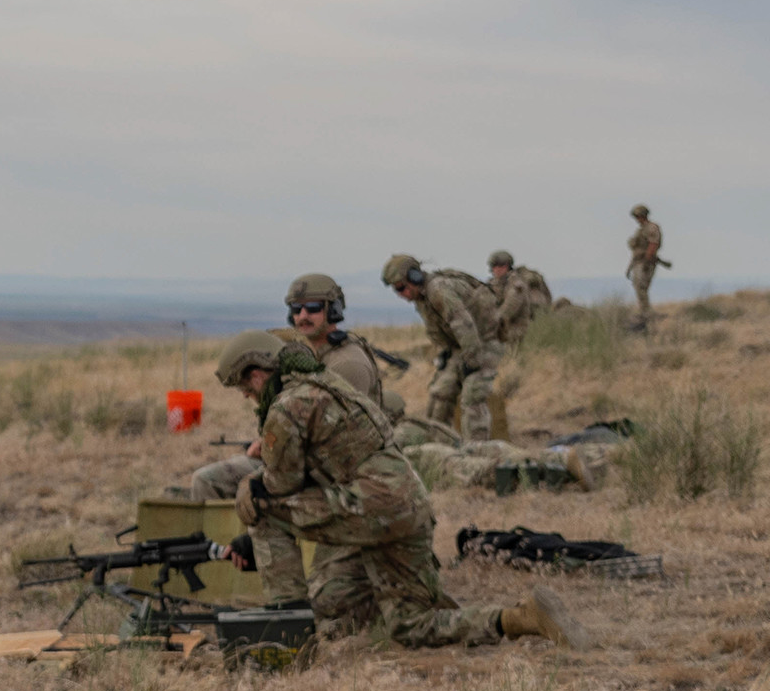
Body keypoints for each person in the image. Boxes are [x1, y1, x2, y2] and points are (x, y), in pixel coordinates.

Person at [213, 332, 580, 649]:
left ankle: (286, 635)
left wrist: (254, 491)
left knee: (254, 502)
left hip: (369, 510)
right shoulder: (329, 383)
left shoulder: (286, 407)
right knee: (411, 625)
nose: (248, 397)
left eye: (246, 389)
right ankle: (520, 618)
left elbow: (279, 489)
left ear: (258, 375)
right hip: (409, 506)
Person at [182, 279, 402, 595]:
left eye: (313, 308)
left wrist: (274, 457)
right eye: (295, 309)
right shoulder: (301, 353)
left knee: (259, 499)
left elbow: (337, 441)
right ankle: (219, 573)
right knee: (208, 480)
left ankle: (272, 592)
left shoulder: (346, 363)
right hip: (311, 462)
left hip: (343, 478)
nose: (302, 316)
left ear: (334, 310)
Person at [382, 253, 506, 441]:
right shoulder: (423, 298)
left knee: (472, 398)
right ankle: (439, 449)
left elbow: (463, 324)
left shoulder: (438, 290)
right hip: (462, 348)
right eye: (396, 291)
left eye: (401, 288)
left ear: (414, 278)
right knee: (439, 394)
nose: (401, 295)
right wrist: (447, 353)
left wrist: (471, 361)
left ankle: (479, 453)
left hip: (484, 344)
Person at [486, 249, 554, 344]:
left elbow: (507, 311)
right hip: (502, 328)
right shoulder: (494, 284)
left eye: (501, 266)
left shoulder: (517, 286)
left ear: (508, 267)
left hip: (517, 330)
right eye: (494, 266)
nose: (497, 269)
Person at [627, 205, 668, 324]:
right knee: (638, 286)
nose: (637, 219)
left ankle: (646, 312)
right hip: (638, 261)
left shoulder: (651, 228)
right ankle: (644, 311)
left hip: (645, 262)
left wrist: (647, 260)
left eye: (638, 216)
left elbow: (653, 245)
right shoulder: (641, 229)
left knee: (641, 286)